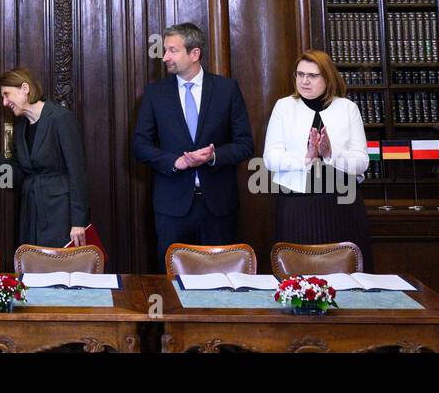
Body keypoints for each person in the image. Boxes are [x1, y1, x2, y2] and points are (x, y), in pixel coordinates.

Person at [133, 22, 254, 265]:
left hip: (218, 206)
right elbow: (140, 145)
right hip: (172, 207)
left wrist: (213, 156)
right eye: (165, 50)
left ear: (194, 53)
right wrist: (175, 161)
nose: (165, 57)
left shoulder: (226, 89)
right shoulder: (155, 93)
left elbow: (245, 144)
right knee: (172, 284)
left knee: (221, 278)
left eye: (172, 50)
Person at [262, 49, 373, 269]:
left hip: (342, 203)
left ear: (328, 77)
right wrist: (307, 157)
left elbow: (362, 161)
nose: (304, 81)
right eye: (300, 74)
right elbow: (270, 158)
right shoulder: (284, 107)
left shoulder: (347, 108)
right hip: (297, 205)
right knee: (298, 275)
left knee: (346, 275)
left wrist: (331, 154)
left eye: (312, 75)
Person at [0, 67, 88, 248]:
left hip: (60, 212)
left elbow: (77, 173)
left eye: (7, 94)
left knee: (58, 270)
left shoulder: (61, 118)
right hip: (31, 211)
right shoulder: (21, 125)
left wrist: (78, 221)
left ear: (25, 88)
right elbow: (18, 174)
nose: (4, 102)